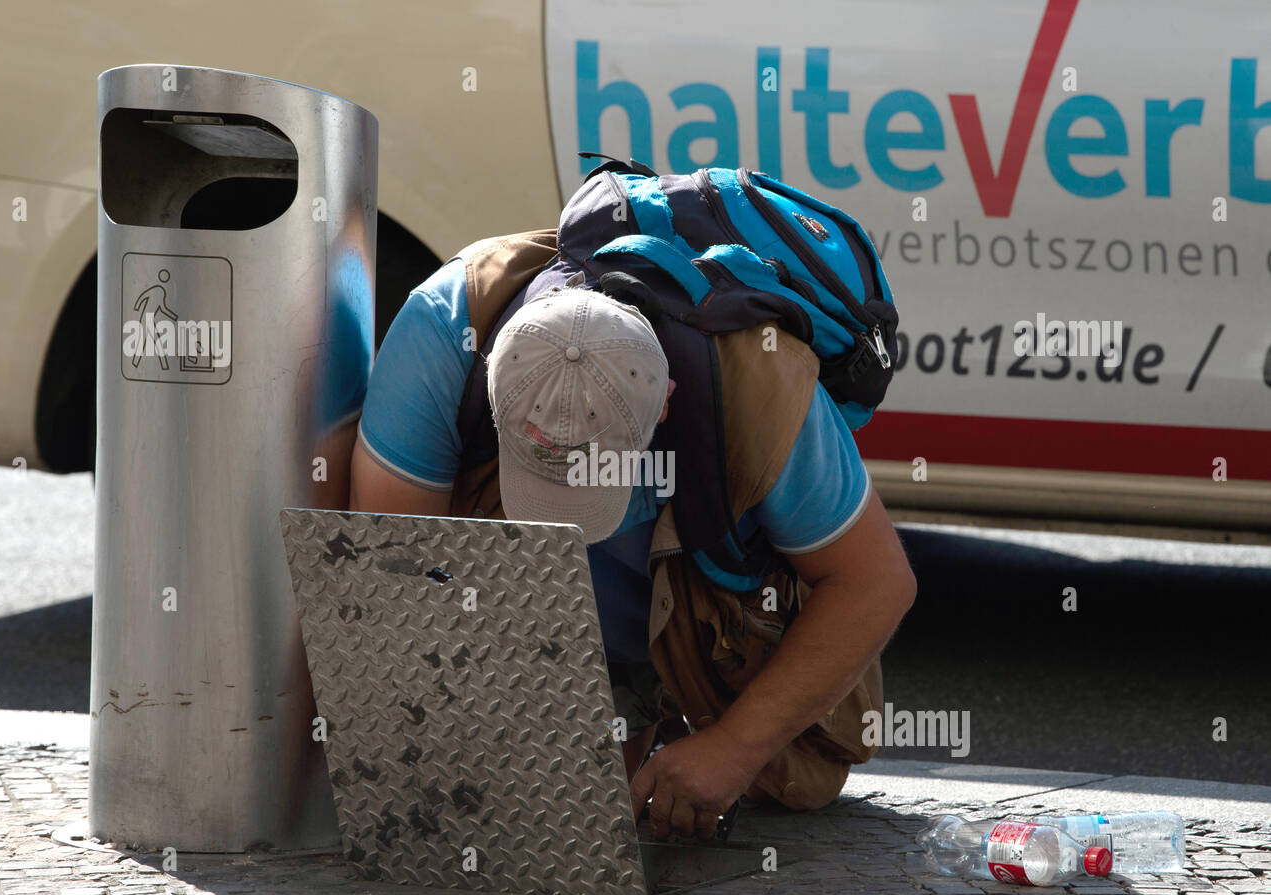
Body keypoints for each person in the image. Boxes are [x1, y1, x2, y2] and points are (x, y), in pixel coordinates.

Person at [349, 226, 917, 842]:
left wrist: (731, 750)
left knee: (800, 775)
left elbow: (876, 584)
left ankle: (667, 710)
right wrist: (452, 747)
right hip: (529, 617)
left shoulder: (766, 391)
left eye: (587, 483)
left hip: (706, 599)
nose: (563, 526)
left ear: (665, 403)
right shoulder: (445, 329)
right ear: (490, 386)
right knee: (535, 822)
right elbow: (396, 579)